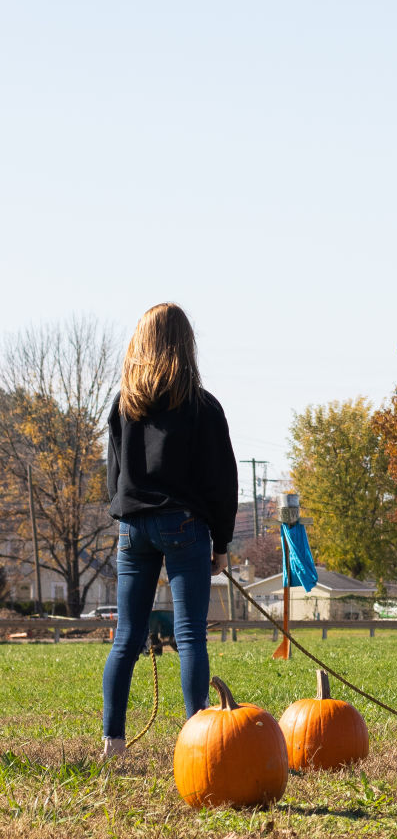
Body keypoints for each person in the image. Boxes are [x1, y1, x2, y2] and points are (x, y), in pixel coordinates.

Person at [101, 304, 238, 759]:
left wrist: (129, 514)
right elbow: (222, 481)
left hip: (132, 528)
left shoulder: (123, 406)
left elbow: (113, 476)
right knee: (190, 636)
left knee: (126, 637)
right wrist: (221, 543)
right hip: (183, 524)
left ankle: (112, 744)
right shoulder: (201, 406)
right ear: (185, 345)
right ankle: (198, 744)